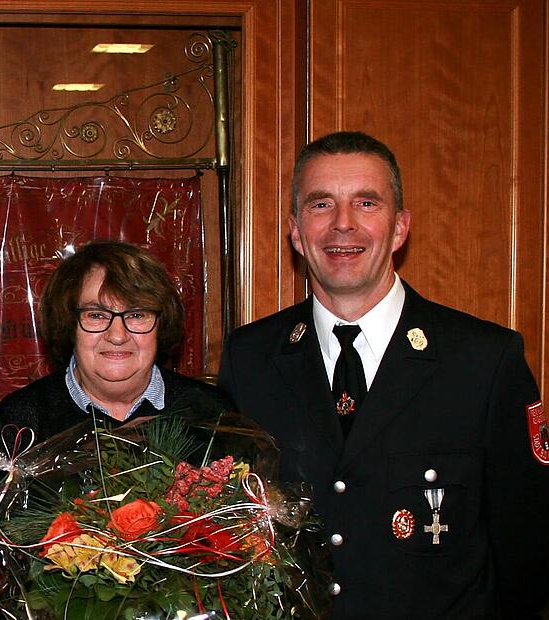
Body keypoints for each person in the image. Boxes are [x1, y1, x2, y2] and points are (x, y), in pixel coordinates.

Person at [219, 131, 549, 618]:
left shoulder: (483, 361)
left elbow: (528, 554)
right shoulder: (249, 359)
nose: (342, 225)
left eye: (366, 203)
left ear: (399, 228)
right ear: (294, 230)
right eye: (320, 204)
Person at [0, 240, 233, 523]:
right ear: (69, 324)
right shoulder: (23, 420)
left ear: (161, 324)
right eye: (96, 315)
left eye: (137, 315)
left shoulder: (211, 412)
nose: (117, 335)